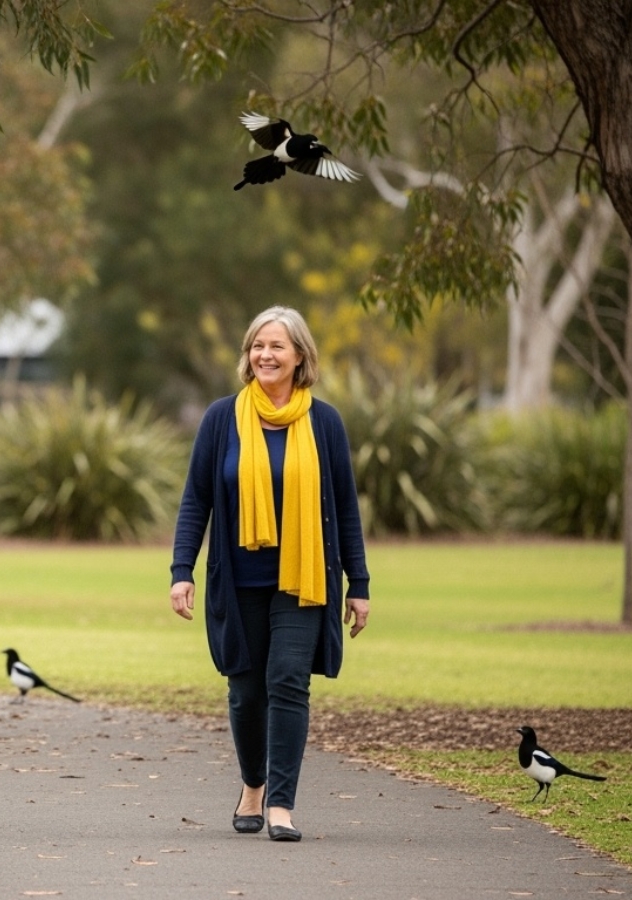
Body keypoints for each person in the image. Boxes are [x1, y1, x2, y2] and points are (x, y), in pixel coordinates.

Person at [168, 305, 371, 842]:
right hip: (239, 580)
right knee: (245, 691)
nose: (265, 355)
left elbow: (344, 508)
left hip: (304, 579)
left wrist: (359, 584)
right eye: (258, 346)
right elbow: (196, 500)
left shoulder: (323, 422)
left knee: (287, 681)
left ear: (300, 355)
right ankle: (253, 786)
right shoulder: (222, 419)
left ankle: (281, 804)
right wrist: (182, 570)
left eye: (277, 346)